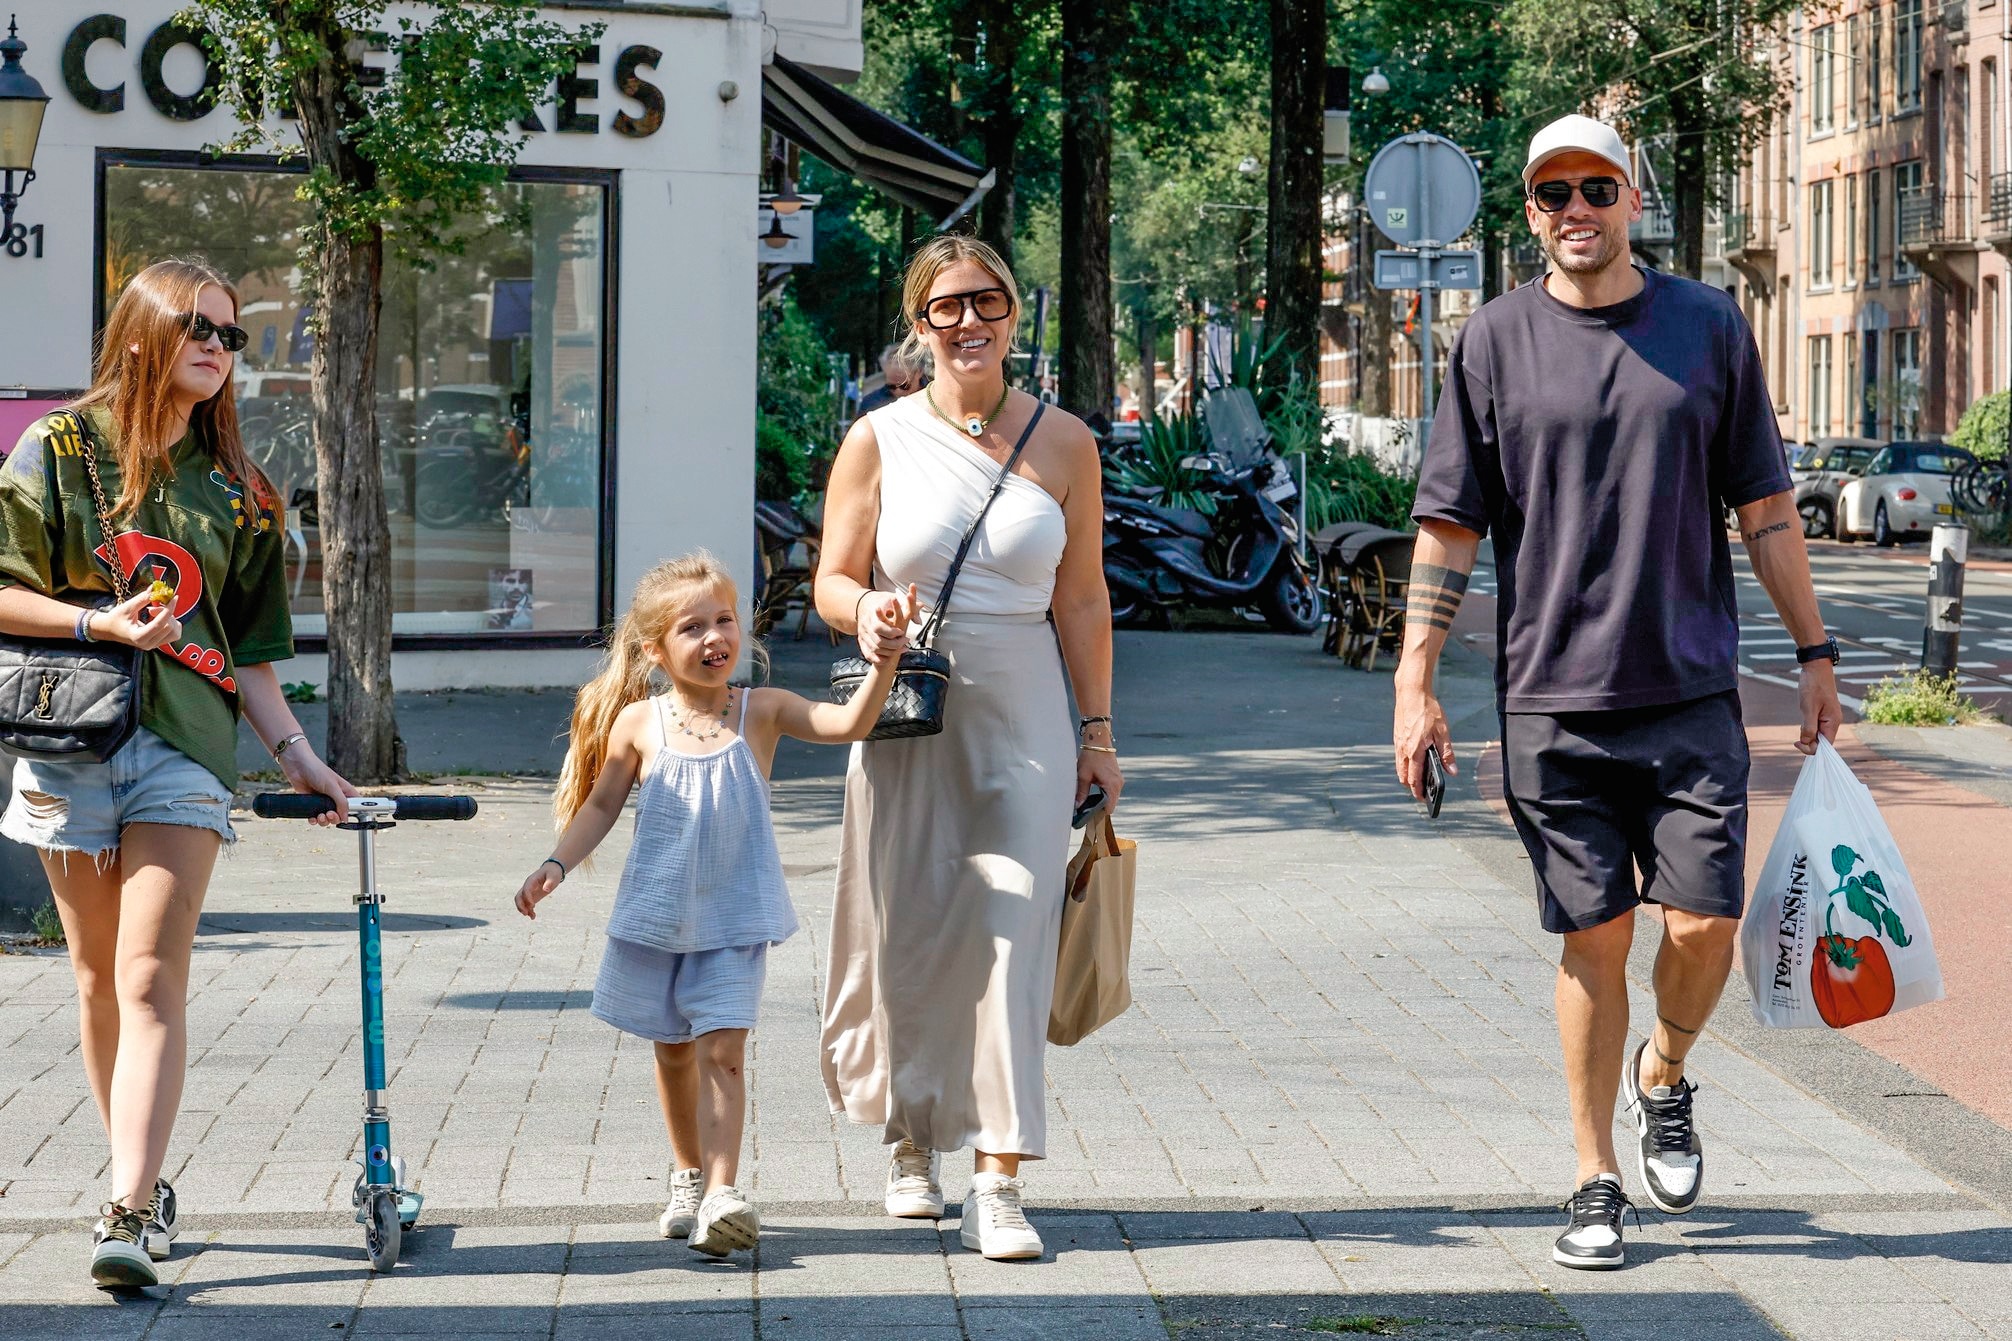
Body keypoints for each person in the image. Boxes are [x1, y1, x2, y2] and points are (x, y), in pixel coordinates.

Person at [1391, 115, 1842, 1271]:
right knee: (1591, 940)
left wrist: (1813, 652)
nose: (1574, 210)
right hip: (1550, 700)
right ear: (1529, 214)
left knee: (1702, 925)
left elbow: (1765, 508)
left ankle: (1664, 1072)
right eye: (1552, 194)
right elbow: (1448, 524)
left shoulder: (1706, 326)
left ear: (1631, 200)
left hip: (1688, 689)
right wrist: (1413, 678)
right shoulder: (1491, 341)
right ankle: (1592, 1178)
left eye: (1595, 188)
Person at [0, 259, 357, 1289]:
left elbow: (251, 657)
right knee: (97, 982)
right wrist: (97, 625)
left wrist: (300, 757)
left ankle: (122, 1208)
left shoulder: (242, 491)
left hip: (186, 750)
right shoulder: (58, 449)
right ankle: (144, 1181)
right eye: (197, 327)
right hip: (69, 739)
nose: (216, 346)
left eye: (229, 335)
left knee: (151, 976)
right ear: (142, 333)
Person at [814, 235, 1122, 1261]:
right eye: (945, 306)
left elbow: (1082, 599)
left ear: (1012, 313)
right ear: (920, 322)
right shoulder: (878, 438)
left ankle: (999, 1174)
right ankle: (912, 1140)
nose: (968, 322)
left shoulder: (1065, 442)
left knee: (1013, 931)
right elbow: (830, 578)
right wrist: (864, 610)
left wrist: (1097, 733)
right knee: (911, 927)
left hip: (1026, 710)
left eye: (986, 301)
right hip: (909, 707)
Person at [513, 552, 917, 1258]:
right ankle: (689, 1176)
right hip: (658, 915)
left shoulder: (762, 710)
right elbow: (602, 804)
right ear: (655, 650)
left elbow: (850, 722)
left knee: (723, 1051)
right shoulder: (639, 722)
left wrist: (884, 661)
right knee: (673, 1052)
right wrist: (556, 864)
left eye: (724, 619)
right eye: (691, 627)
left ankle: (724, 1193)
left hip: (734, 918)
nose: (714, 637)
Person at [857, 343, 926, 414]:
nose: (898, 391)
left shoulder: (931, 398)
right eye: (891, 387)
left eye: (904, 386)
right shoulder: (870, 403)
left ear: (919, 372)